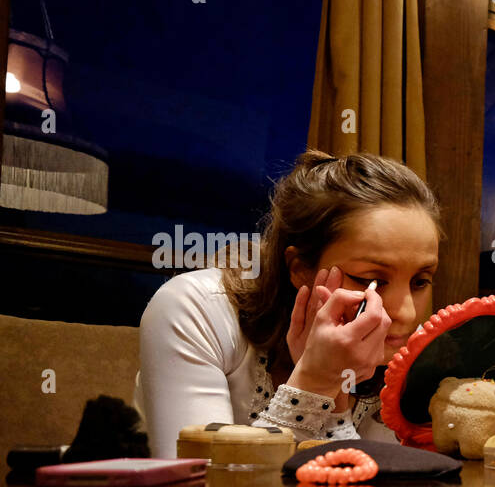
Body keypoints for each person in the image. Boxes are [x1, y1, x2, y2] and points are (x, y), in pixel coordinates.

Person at [135, 151, 443, 457]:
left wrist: (337, 399)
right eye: (370, 280)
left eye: (419, 282)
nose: (407, 313)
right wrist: (315, 381)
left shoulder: (403, 365)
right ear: (299, 269)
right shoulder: (194, 310)